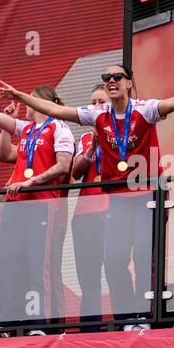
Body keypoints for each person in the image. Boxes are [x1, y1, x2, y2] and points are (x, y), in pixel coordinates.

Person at [0, 62, 174, 321]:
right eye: (106, 78)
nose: (111, 81)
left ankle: (145, 318)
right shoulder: (98, 114)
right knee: (114, 259)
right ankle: (128, 317)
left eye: (117, 77)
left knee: (144, 258)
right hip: (118, 197)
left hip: (148, 193)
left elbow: (172, 103)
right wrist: (20, 96)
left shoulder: (144, 109)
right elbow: (54, 109)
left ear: (128, 82)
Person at [0, 58, 74, 326]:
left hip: (42, 204)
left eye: (30, 100)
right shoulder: (27, 129)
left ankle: (40, 323)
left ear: (42, 103)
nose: (25, 105)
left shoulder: (59, 126)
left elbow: (64, 165)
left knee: (39, 268)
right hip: (16, 205)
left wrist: (30, 182)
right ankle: (2, 322)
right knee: (8, 267)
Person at [68, 84, 113, 324]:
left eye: (101, 101)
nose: (96, 106)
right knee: (88, 276)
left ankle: (126, 322)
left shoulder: (124, 132)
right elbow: (75, 173)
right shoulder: (85, 137)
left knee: (116, 270)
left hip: (113, 209)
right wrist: (92, 149)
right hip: (85, 214)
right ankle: (90, 326)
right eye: (93, 102)